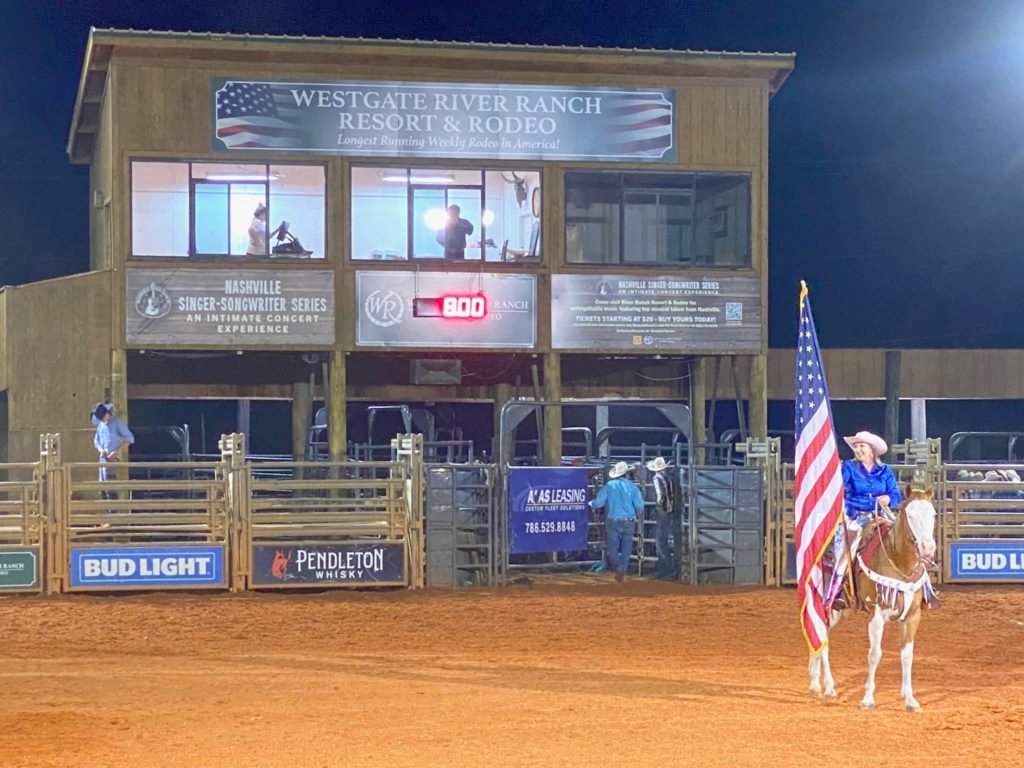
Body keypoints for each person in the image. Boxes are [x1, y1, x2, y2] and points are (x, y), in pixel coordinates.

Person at [831, 430, 902, 610]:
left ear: (872, 450)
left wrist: (888, 498)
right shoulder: (848, 468)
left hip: (880, 514)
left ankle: (916, 584)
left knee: (904, 538)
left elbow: (896, 494)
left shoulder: (885, 471)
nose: (858, 449)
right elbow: (838, 488)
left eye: (861, 446)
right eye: (856, 446)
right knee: (846, 547)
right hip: (855, 514)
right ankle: (838, 588)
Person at [589, 461, 644, 582]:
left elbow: (598, 503)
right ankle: (622, 569)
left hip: (613, 519)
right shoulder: (632, 487)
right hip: (629, 520)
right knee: (626, 547)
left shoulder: (609, 486)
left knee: (612, 549)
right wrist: (634, 513)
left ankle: (619, 568)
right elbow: (640, 506)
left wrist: (591, 504)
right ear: (626, 474)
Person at [647, 456, 678, 579]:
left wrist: (658, 506)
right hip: (669, 511)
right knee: (663, 541)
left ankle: (666, 570)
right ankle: (666, 570)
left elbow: (660, 496)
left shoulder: (657, 479)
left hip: (662, 512)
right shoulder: (669, 479)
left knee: (660, 541)